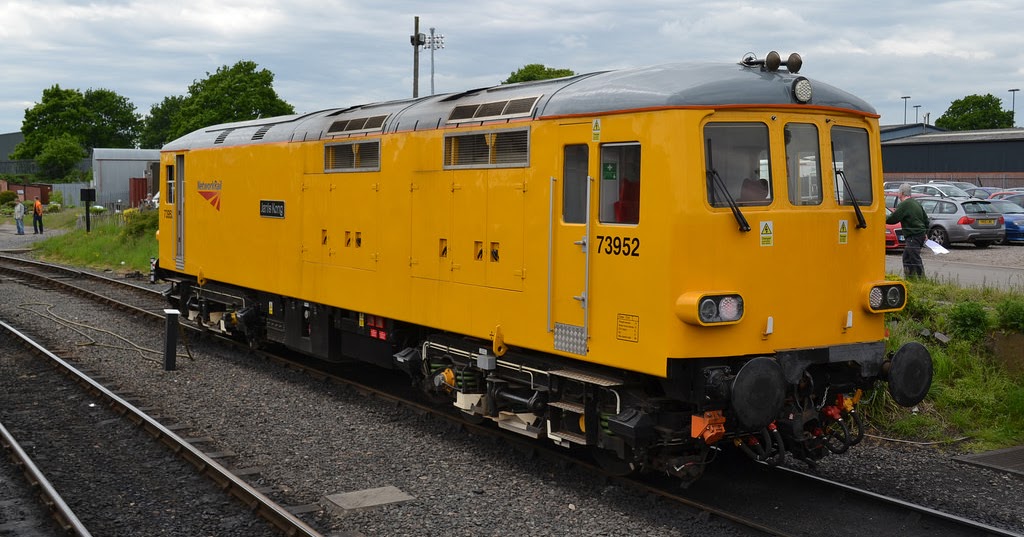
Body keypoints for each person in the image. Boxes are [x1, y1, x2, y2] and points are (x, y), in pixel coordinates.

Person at [886, 183, 929, 278]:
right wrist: (925, 232)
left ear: (901, 193)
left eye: (898, 192)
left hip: (913, 235)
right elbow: (926, 219)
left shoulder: (904, 204)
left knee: (914, 257)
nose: (898, 194)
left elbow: (893, 219)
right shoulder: (916, 203)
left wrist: (881, 217)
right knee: (907, 257)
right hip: (920, 234)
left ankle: (922, 278)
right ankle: (910, 277)